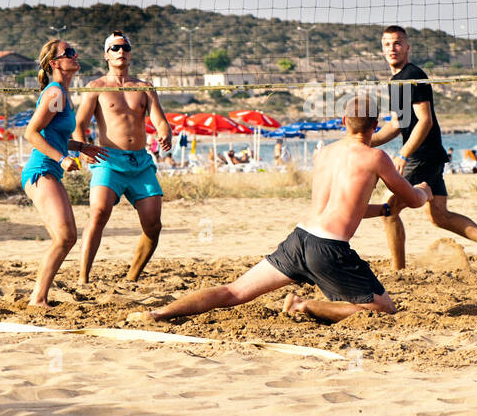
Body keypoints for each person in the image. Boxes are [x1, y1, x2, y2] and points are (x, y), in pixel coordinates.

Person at [147, 95, 432, 322]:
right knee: (383, 309)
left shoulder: (324, 153)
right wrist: (425, 191)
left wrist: (383, 210)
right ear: (376, 126)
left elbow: (341, 207)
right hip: (329, 250)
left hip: (298, 239)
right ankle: (301, 305)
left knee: (233, 292)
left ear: (344, 121)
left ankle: (159, 313)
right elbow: (414, 200)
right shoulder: (376, 157)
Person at [371, 26, 477, 269]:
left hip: (421, 155)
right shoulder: (396, 80)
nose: (392, 49)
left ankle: (398, 270)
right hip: (431, 155)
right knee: (439, 215)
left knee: (388, 210)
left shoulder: (412, 75)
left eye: (397, 43)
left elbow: (425, 120)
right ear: (382, 49)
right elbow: (398, 123)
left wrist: (404, 154)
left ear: (407, 47)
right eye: (387, 44)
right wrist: (366, 141)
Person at [75, 32, 172, 284]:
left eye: (125, 47)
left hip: (140, 162)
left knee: (153, 225)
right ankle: (83, 278)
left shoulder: (144, 87)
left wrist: (165, 134)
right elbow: (79, 124)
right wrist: (82, 147)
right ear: (106, 55)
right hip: (107, 159)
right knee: (98, 213)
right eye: (115, 48)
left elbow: (160, 121)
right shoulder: (96, 87)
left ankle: (132, 278)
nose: (121, 51)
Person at [22, 39, 107, 309]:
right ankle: (37, 298)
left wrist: (80, 146)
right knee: (66, 237)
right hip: (41, 170)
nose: (75, 54)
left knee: (64, 238)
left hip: (48, 170)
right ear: (55, 63)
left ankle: (39, 296)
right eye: (69, 52)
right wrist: (62, 158)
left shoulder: (62, 94)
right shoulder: (55, 93)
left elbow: (53, 135)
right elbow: (31, 133)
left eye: (75, 50)